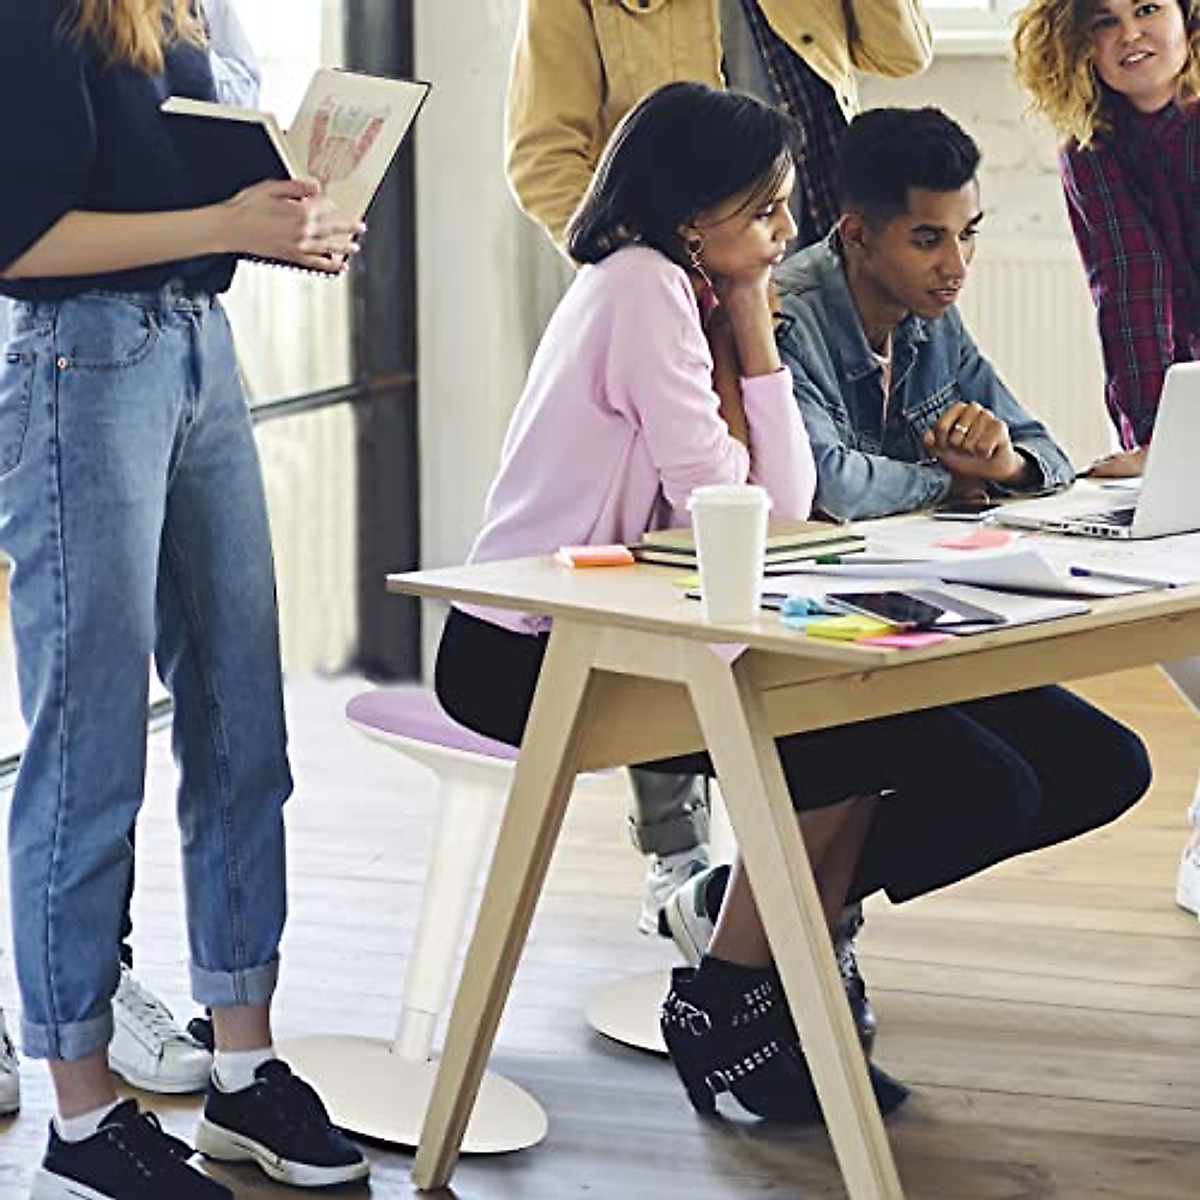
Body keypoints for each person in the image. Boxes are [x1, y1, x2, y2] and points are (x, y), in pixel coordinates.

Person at [658, 105, 1154, 1112]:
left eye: (968, 234)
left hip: (907, 619)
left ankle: (740, 909)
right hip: (795, 635)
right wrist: (950, 480)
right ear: (857, 233)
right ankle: (763, 959)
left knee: (1107, 767)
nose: (955, 265)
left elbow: (1042, 448)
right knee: (994, 790)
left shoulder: (933, 317)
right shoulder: (788, 313)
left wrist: (1002, 465)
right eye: (929, 238)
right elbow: (823, 485)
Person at [0, 2, 370, 1195]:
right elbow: (18, 240)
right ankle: (80, 1117)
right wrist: (223, 223)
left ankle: (244, 1071)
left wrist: (280, 227)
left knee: (240, 721)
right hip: (80, 367)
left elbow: (175, 197)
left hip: (199, 347)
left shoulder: (183, 13)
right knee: (88, 748)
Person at [506, 0, 933, 939]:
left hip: (757, 296)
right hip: (545, 637)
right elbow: (739, 512)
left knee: (864, 719)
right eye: (766, 209)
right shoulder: (641, 287)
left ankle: (759, 928)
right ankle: (729, 916)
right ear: (698, 213)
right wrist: (677, 272)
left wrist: (747, 300)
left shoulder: (713, 280)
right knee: (851, 739)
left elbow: (782, 510)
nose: (785, 226)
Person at [1011, 0, 1200, 915]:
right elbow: (1129, 291)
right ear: (1075, 43)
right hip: (1185, 405)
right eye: (1104, 21)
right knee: (1165, 581)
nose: (1131, 35)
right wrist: (1156, 443)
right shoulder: (1093, 153)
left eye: (1148, 8)